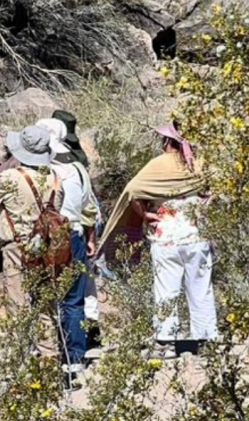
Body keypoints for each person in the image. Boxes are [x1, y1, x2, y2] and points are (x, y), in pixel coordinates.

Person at [99, 122, 217, 355]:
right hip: (197, 236)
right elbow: (215, 187)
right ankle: (206, 342)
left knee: (166, 289)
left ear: (166, 141)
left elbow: (132, 191)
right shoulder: (199, 162)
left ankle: (166, 342)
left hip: (166, 238)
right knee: (201, 288)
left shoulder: (157, 165)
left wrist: (144, 213)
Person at [0, 124, 64, 359]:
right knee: (44, 304)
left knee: (17, 303)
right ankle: (50, 356)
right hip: (45, 246)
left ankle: (19, 358)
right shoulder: (55, 177)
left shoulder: (10, 177)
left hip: (16, 246)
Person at [37, 117, 98, 371]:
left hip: (50, 237)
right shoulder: (79, 168)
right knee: (74, 298)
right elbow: (89, 207)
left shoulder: (46, 170)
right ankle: (76, 356)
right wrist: (91, 237)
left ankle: (49, 349)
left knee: (45, 295)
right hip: (75, 234)